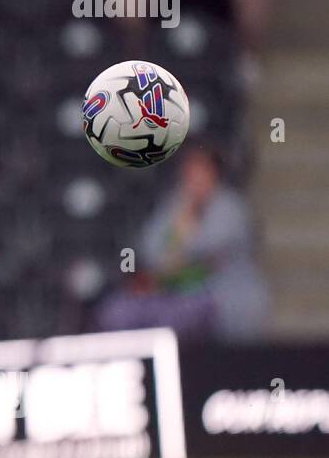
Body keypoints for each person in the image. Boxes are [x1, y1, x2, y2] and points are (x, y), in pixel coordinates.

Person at [94, 145, 269, 346]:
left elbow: (200, 259)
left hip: (221, 298)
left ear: (215, 174)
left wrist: (169, 261)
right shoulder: (174, 205)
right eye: (189, 172)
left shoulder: (231, 209)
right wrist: (181, 221)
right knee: (116, 312)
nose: (194, 179)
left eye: (200, 172)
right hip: (171, 294)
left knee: (175, 320)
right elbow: (150, 249)